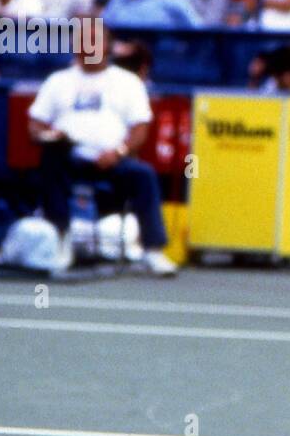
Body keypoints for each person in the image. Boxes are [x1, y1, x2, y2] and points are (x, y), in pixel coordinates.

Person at [27, 29, 177, 275]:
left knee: (144, 174)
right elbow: (35, 123)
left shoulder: (128, 82)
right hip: (70, 156)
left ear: (107, 47)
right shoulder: (58, 81)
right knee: (50, 161)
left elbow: (140, 129)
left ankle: (153, 251)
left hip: (113, 159)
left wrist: (118, 152)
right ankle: (61, 240)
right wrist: (49, 136)